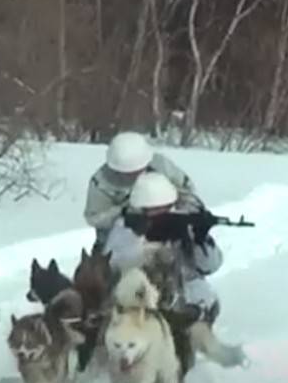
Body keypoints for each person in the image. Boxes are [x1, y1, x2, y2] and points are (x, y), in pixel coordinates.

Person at [102, 172, 222, 323]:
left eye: (165, 208)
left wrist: (200, 239)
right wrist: (148, 242)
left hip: (187, 295)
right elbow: (114, 264)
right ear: (141, 209)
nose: (161, 213)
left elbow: (211, 266)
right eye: (154, 209)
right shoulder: (126, 227)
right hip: (143, 298)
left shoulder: (182, 222)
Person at [84, 131, 200, 252]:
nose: (134, 176)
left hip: (164, 231)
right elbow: (94, 218)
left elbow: (187, 191)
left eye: (138, 170)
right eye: (127, 174)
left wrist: (186, 216)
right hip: (117, 241)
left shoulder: (161, 166)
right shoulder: (101, 181)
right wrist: (124, 213)